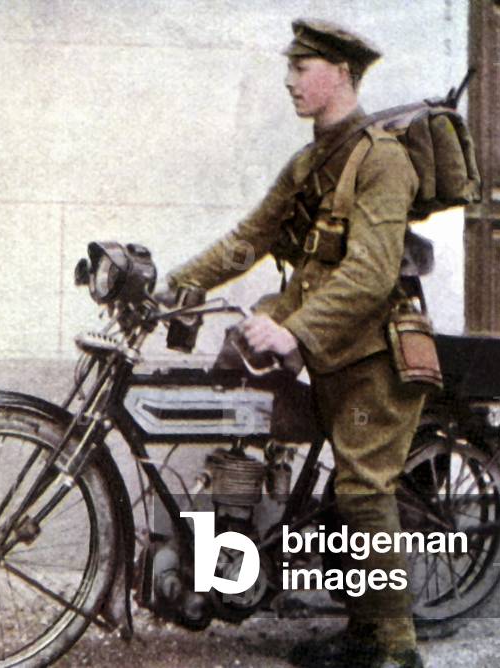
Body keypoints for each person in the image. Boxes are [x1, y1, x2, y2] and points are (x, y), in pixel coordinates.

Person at [163, 18, 427, 668]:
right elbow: (248, 238)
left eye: (300, 65)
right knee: (252, 418)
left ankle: (393, 648)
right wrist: (177, 283)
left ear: (340, 72)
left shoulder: (383, 159)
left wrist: (291, 328)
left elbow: (368, 273)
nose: (287, 79)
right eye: (288, 65)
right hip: (323, 352)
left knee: (364, 488)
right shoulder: (308, 163)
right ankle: (345, 622)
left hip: (371, 357)